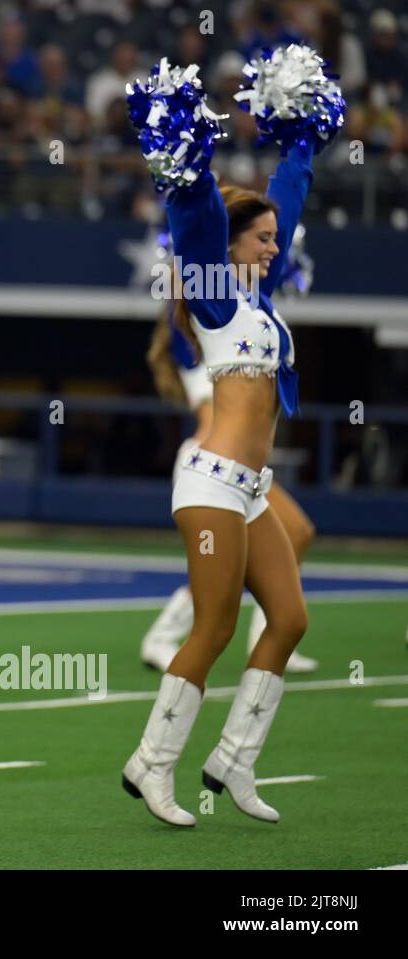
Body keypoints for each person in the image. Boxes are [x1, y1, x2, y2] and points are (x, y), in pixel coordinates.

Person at [123, 136, 321, 827]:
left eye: (274, 240)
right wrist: (188, 160)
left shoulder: (258, 299)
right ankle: (152, 759)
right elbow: (199, 219)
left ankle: (235, 757)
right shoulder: (213, 299)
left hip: (252, 484)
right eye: (261, 239)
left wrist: (300, 148)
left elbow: (287, 210)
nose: (275, 248)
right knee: (215, 625)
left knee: (290, 618)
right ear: (230, 243)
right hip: (210, 480)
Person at [141, 305, 317, 673]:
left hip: (238, 468)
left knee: (291, 536)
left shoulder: (230, 328)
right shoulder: (193, 336)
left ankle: (268, 634)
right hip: (209, 465)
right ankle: (162, 636)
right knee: (229, 566)